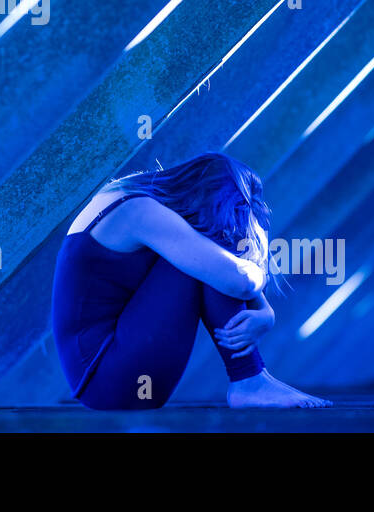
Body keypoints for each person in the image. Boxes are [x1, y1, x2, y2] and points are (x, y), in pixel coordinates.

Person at [51, 151, 331, 409]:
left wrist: (266, 312)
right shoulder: (136, 210)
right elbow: (238, 279)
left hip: (122, 377)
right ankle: (248, 380)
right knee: (213, 259)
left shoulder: (137, 197)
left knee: (211, 258)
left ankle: (254, 378)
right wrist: (255, 273)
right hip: (108, 379)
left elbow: (230, 272)